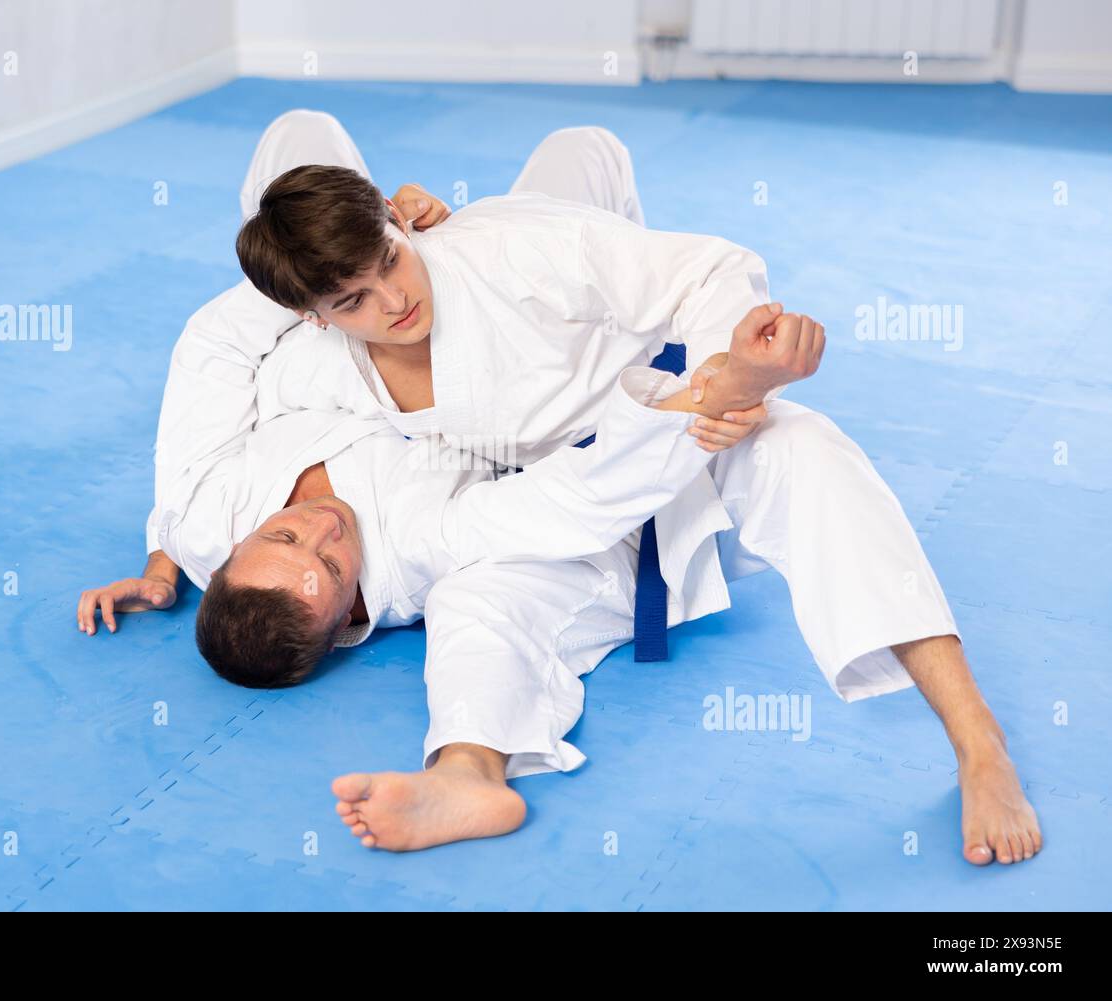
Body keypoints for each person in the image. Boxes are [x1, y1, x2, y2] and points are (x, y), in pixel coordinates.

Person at [79, 110, 1041, 865]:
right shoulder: (388, 492)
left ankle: (974, 735)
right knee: (497, 581)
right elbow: (558, 503)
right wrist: (705, 398)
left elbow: (204, 381)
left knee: (332, 140)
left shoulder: (211, 515)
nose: (394, 301)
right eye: (353, 299)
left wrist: (163, 563)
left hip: (613, 366)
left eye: (388, 262)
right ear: (313, 315)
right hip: (600, 451)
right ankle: (468, 772)